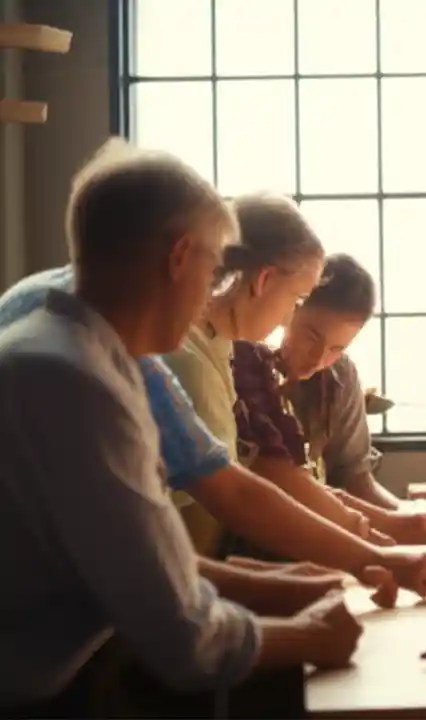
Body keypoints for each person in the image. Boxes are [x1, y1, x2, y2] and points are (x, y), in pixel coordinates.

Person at [0, 139, 363, 716]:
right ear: (178, 259)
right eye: (214, 266)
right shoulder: (75, 382)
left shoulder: (94, 349)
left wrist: (286, 586)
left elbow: (136, 558)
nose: (214, 290)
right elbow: (183, 640)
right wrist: (313, 636)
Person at [0, 268, 426, 606]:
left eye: (337, 348)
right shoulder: (178, 358)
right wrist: (369, 553)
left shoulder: (53, 310)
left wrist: (364, 551)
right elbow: (237, 491)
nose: (320, 356)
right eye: (295, 299)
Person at [165, 194, 426, 549]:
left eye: (336, 350)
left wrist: (373, 533)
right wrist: (364, 547)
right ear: (263, 281)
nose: (285, 320)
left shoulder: (217, 343)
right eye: (296, 302)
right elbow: (246, 491)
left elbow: (263, 477)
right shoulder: (193, 359)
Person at [232, 254, 411, 529]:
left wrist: (409, 518)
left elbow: (355, 477)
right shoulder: (244, 363)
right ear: (290, 310)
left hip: (329, 526)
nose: (318, 359)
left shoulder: (340, 374)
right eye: (311, 337)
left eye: (336, 349)